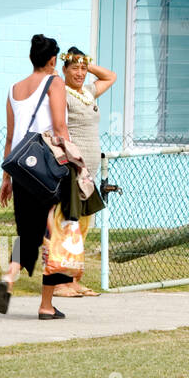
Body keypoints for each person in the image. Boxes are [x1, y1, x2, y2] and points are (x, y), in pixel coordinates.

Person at [0, 34, 74, 320]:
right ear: (53, 60)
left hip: (21, 170)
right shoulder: (55, 82)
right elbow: (60, 126)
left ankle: (10, 275)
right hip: (48, 169)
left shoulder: (14, 88)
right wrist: (75, 163)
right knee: (54, 235)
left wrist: (6, 179)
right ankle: (46, 305)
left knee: (27, 233)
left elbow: (10, 137)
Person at [54, 47, 117, 298]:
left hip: (89, 174)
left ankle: (74, 279)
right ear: (64, 70)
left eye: (83, 68)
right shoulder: (62, 94)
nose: (80, 73)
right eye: (74, 68)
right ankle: (58, 283)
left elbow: (110, 77)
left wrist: (86, 64)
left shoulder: (88, 93)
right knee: (66, 225)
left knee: (82, 228)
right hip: (72, 170)